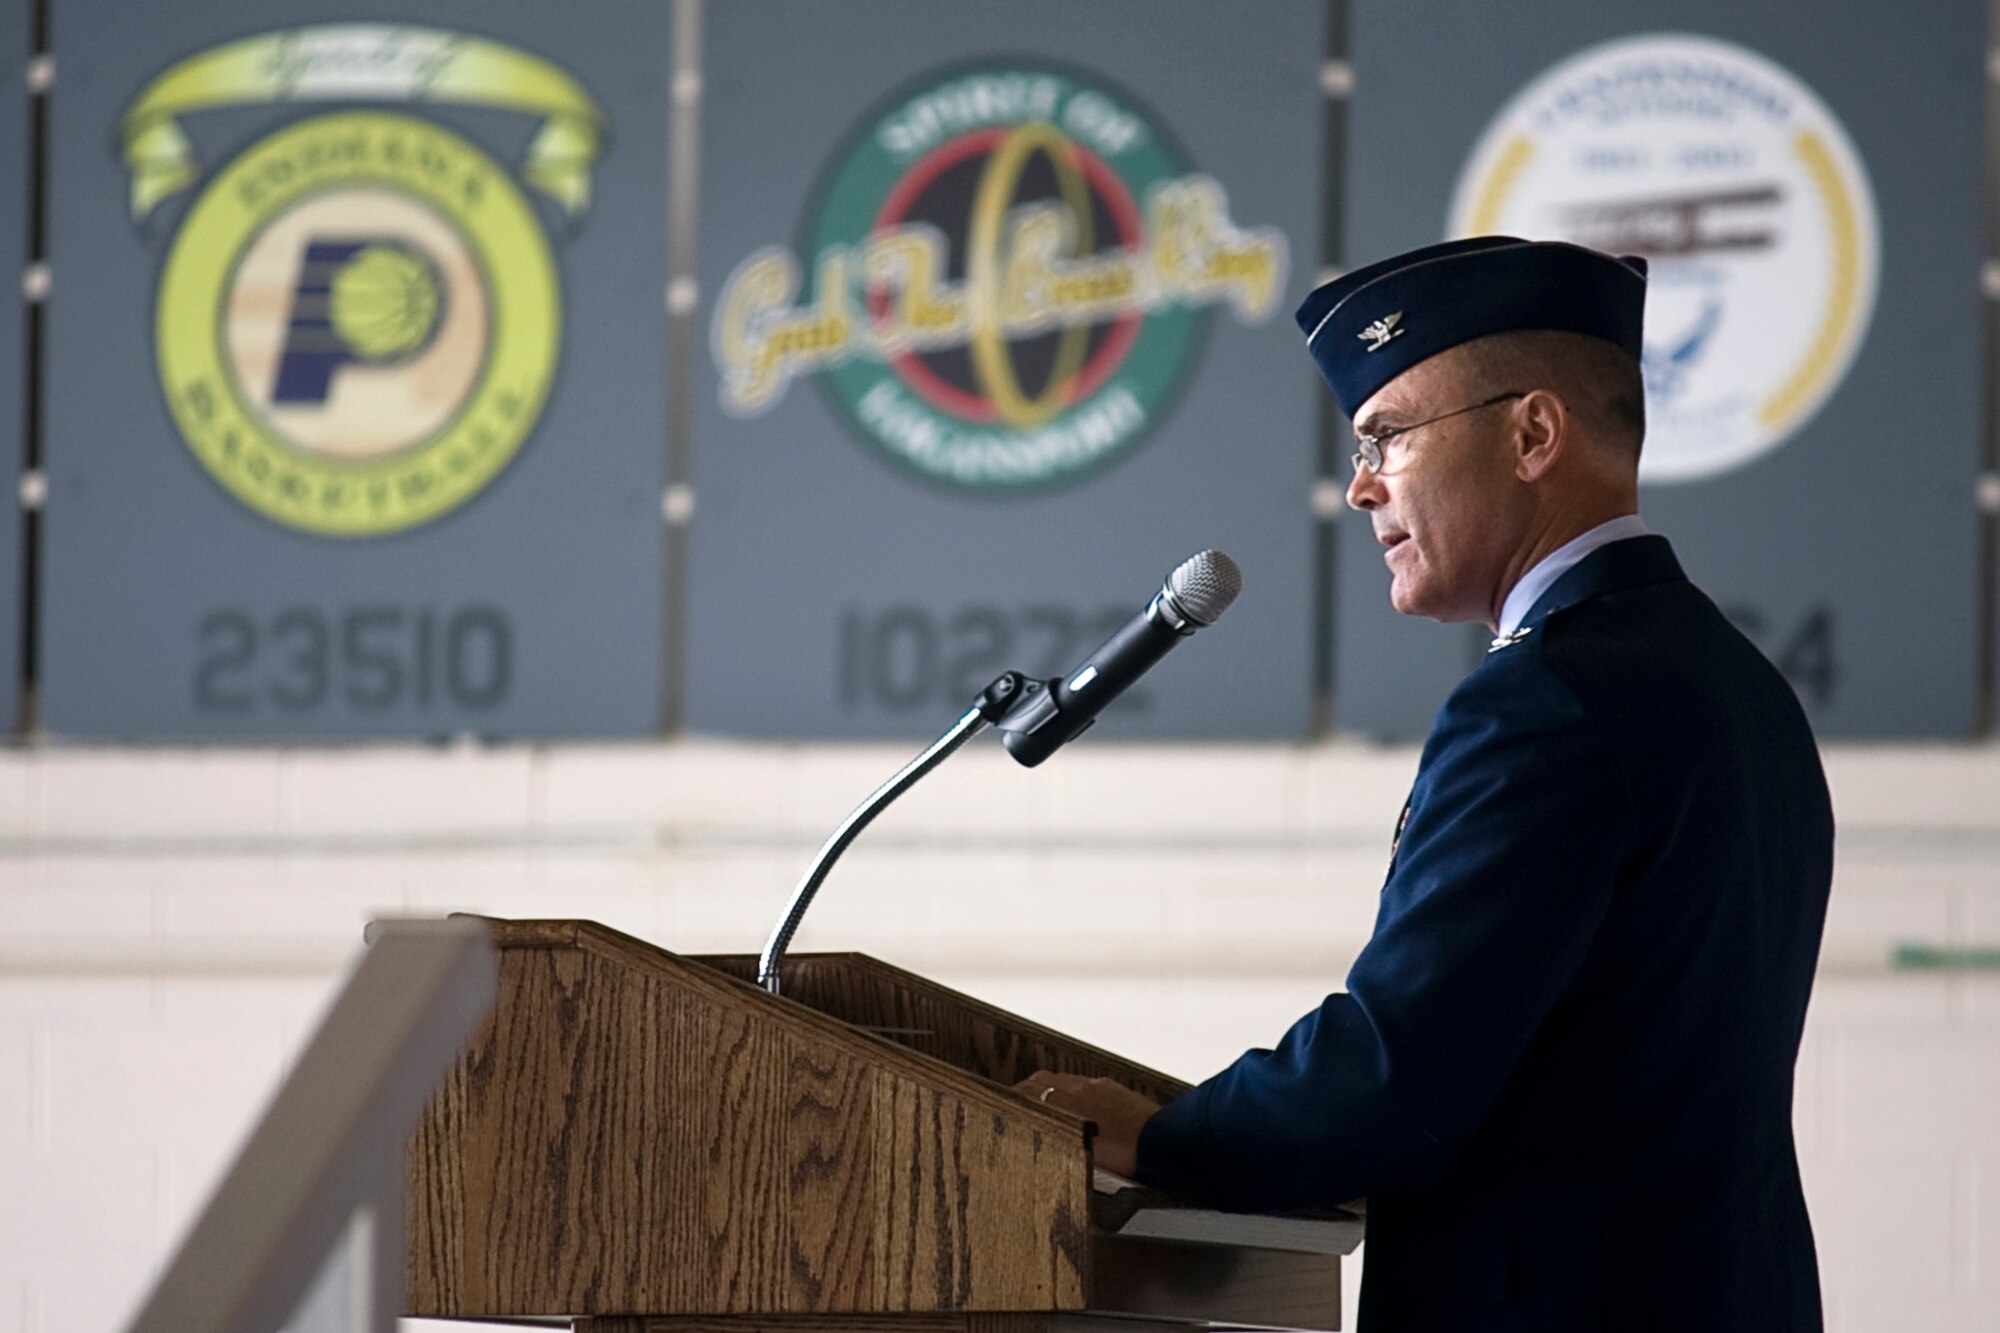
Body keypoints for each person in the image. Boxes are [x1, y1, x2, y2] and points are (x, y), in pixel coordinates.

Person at [1019, 236, 1834, 1332]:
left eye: (1385, 436)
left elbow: (1395, 1071)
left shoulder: (1548, 698)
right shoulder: (1729, 678)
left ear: (1531, 432)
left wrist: (1159, 1134)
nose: (1359, 487)